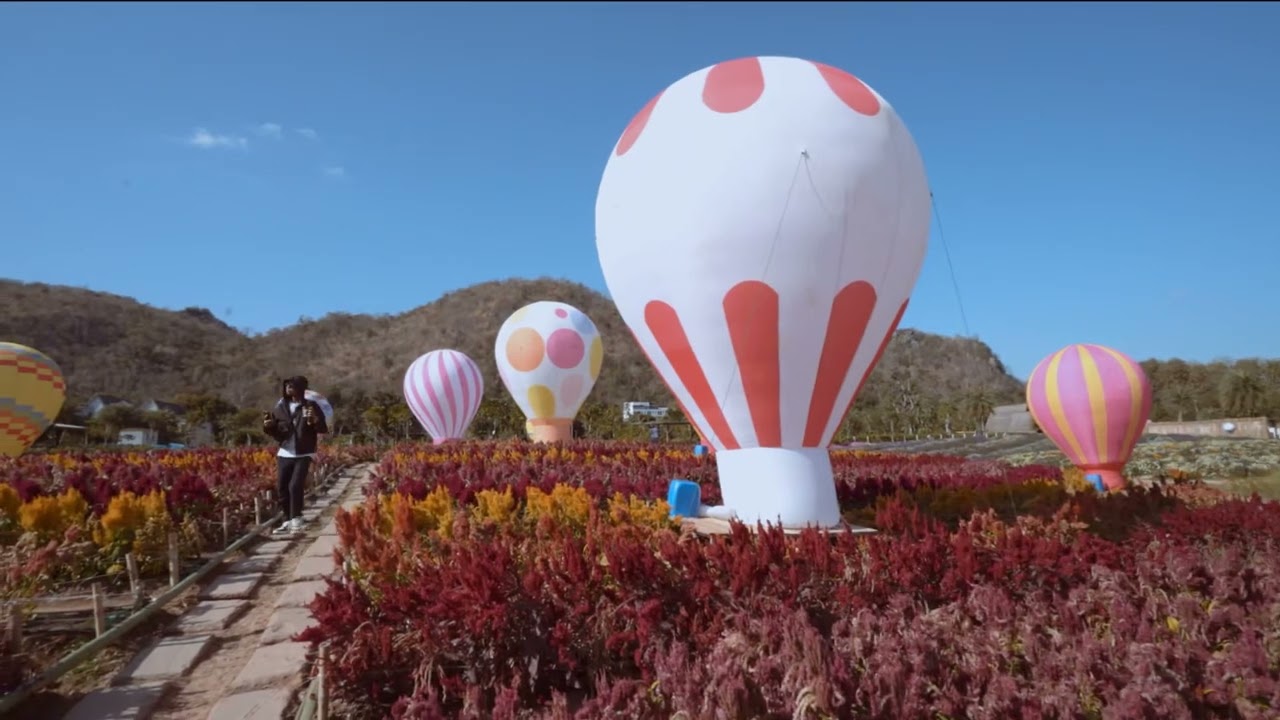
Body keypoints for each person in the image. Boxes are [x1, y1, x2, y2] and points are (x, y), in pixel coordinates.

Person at [262, 375, 328, 535]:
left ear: (301, 388)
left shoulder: (310, 406)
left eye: (292, 386)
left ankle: (297, 518)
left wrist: (314, 420)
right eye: (287, 386)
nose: (289, 389)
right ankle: (287, 520)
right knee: (282, 487)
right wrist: (268, 426)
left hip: (304, 452)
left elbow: (322, 428)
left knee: (295, 485)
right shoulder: (281, 407)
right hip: (285, 452)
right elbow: (275, 431)